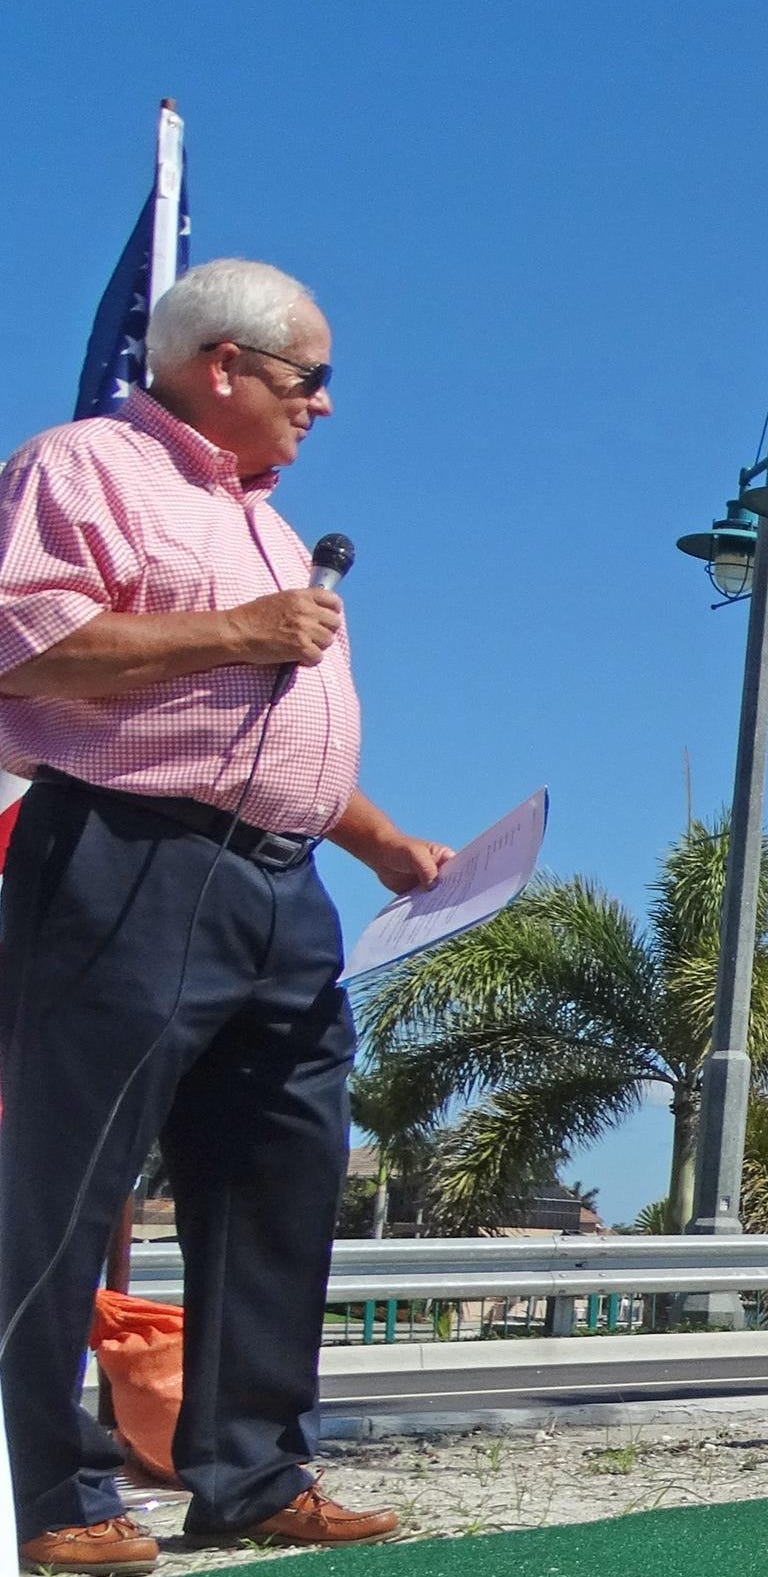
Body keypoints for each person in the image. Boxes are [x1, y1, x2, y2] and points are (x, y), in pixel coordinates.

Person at [0, 260, 448, 1573]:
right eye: (310, 379)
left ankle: (251, 1472)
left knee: (281, 1169)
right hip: (127, 861)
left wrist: (375, 841)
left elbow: (273, 727)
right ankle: (62, 1497)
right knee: (72, 1181)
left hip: (281, 885)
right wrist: (242, 632)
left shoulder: (261, 521)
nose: (322, 408)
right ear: (224, 368)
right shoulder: (83, 467)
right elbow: (27, 649)